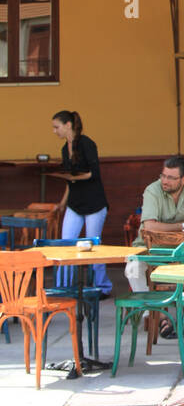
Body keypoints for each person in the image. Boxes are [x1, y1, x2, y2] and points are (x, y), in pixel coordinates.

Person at [125, 157, 184, 302]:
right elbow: (150, 226)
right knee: (132, 267)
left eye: (170, 177)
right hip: (151, 248)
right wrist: (182, 226)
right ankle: (152, 311)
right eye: (163, 175)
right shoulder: (152, 190)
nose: (164, 181)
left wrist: (164, 227)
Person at [51, 110, 111, 293]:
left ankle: (101, 287)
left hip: (94, 203)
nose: (55, 131)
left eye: (56, 127)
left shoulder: (86, 143)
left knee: (93, 246)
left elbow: (93, 173)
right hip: (74, 204)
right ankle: (63, 287)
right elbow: (70, 180)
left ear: (68, 125)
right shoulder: (64, 149)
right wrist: (62, 203)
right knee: (66, 244)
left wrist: (75, 177)